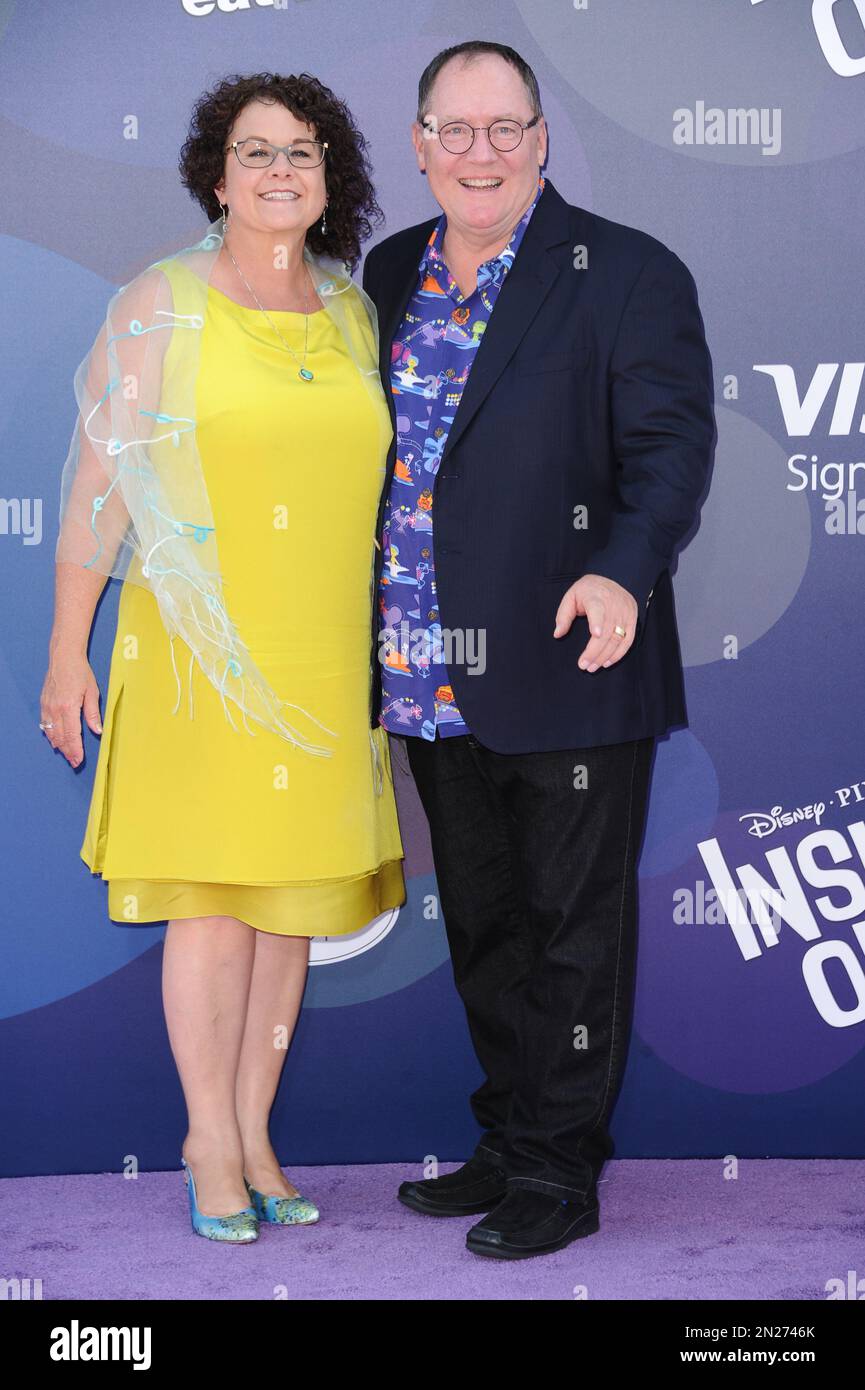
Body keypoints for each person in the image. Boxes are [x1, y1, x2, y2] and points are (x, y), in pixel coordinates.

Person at [362, 41, 715, 1260]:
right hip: (424, 668)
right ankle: (511, 1137)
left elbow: (669, 449)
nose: (481, 153)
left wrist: (621, 567)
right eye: (454, 130)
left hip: (569, 664)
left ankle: (562, 1170)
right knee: (485, 929)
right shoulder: (389, 268)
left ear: (542, 139)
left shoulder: (623, 271)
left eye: (505, 128)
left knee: (573, 933)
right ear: (418, 143)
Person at [41, 72, 405, 1242]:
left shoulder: (352, 311)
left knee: (288, 907)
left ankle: (254, 1132)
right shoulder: (162, 303)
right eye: (256, 152)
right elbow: (100, 489)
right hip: (197, 645)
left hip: (319, 654)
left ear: (328, 177)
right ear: (216, 175)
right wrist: (66, 654)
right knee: (211, 904)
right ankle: (205, 1140)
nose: (280, 169)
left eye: (302, 150)